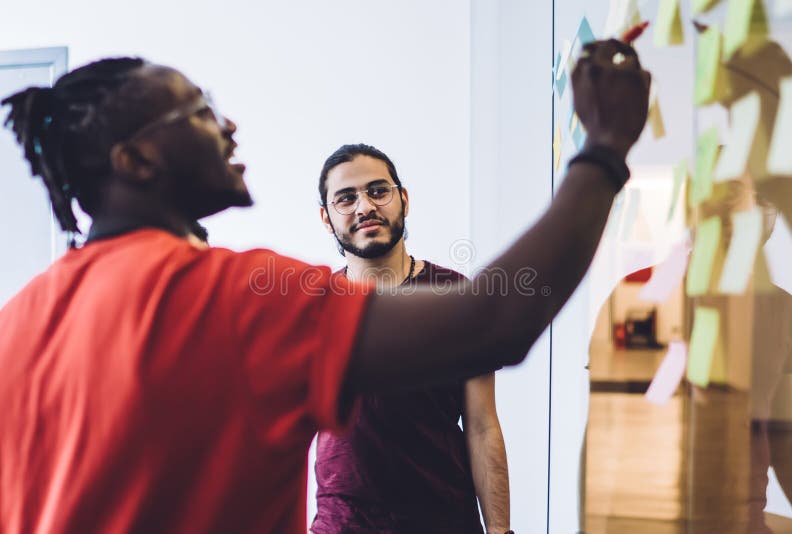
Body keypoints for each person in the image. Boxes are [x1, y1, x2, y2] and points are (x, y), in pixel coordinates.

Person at [0, 39, 650, 533]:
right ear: (136, 160)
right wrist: (605, 146)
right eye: (199, 111)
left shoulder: (19, 318)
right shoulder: (241, 295)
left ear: (401, 197)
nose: (228, 127)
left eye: (377, 190)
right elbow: (498, 319)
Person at [311, 143, 509, 533]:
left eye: (377, 191)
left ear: (402, 198)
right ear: (327, 218)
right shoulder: (314, 306)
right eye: (346, 198)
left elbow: (483, 424)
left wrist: (501, 531)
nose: (365, 206)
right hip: (342, 525)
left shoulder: (455, 296)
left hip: (442, 519)